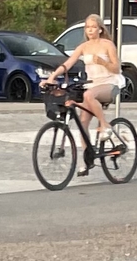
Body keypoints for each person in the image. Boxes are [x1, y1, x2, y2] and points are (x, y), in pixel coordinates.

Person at [46, 14, 123, 171]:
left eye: (94, 27)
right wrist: (52, 77)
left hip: (110, 83)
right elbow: (68, 63)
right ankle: (87, 159)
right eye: (88, 27)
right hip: (93, 85)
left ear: (100, 29)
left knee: (88, 95)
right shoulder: (83, 47)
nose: (90, 30)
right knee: (83, 123)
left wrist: (102, 62)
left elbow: (117, 68)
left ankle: (105, 125)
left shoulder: (107, 44)